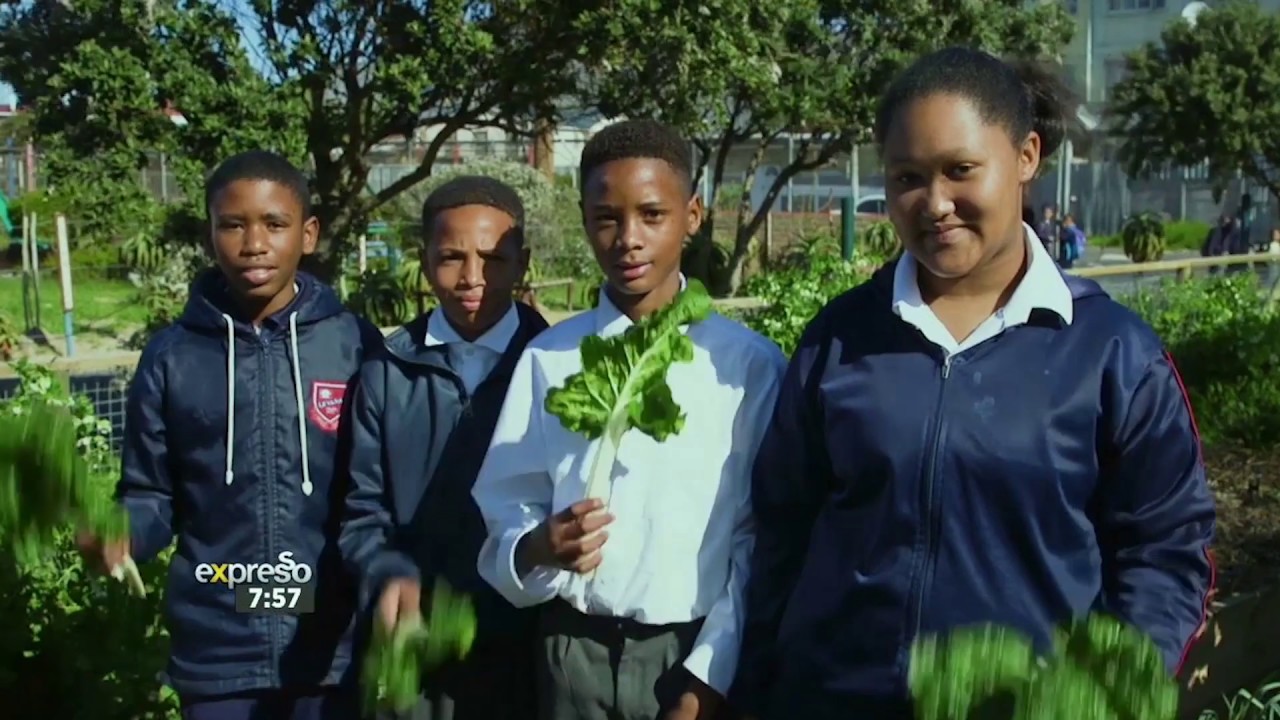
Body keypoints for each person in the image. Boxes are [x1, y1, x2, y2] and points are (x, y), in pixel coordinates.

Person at [730, 47, 1217, 720]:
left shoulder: (1112, 354)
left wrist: (1112, 687)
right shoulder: (841, 338)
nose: (934, 205)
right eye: (907, 177)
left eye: (961, 170)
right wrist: (760, 686)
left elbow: (1164, 549)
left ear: (1026, 157)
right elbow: (780, 531)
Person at [472, 118, 787, 720]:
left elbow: (758, 537)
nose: (627, 239)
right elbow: (507, 499)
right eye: (606, 218)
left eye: (652, 215)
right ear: (585, 220)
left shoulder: (746, 366)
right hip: (569, 650)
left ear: (692, 215)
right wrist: (537, 545)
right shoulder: (549, 358)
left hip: (688, 653)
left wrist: (708, 677)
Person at [77, 150, 383, 719]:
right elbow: (148, 494)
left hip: (331, 653)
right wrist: (121, 535)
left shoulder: (356, 348)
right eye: (233, 224)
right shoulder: (171, 357)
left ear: (308, 233)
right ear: (208, 235)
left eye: (274, 224)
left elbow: (378, 495)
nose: (253, 243)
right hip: (216, 656)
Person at [338, 175, 549, 720]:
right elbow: (363, 510)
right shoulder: (387, 370)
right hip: (414, 648)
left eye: (493, 258)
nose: (472, 278)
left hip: (524, 652)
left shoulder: (555, 367)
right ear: (425, 258)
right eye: (452, 257)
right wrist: (387, 572)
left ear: (521, 262)